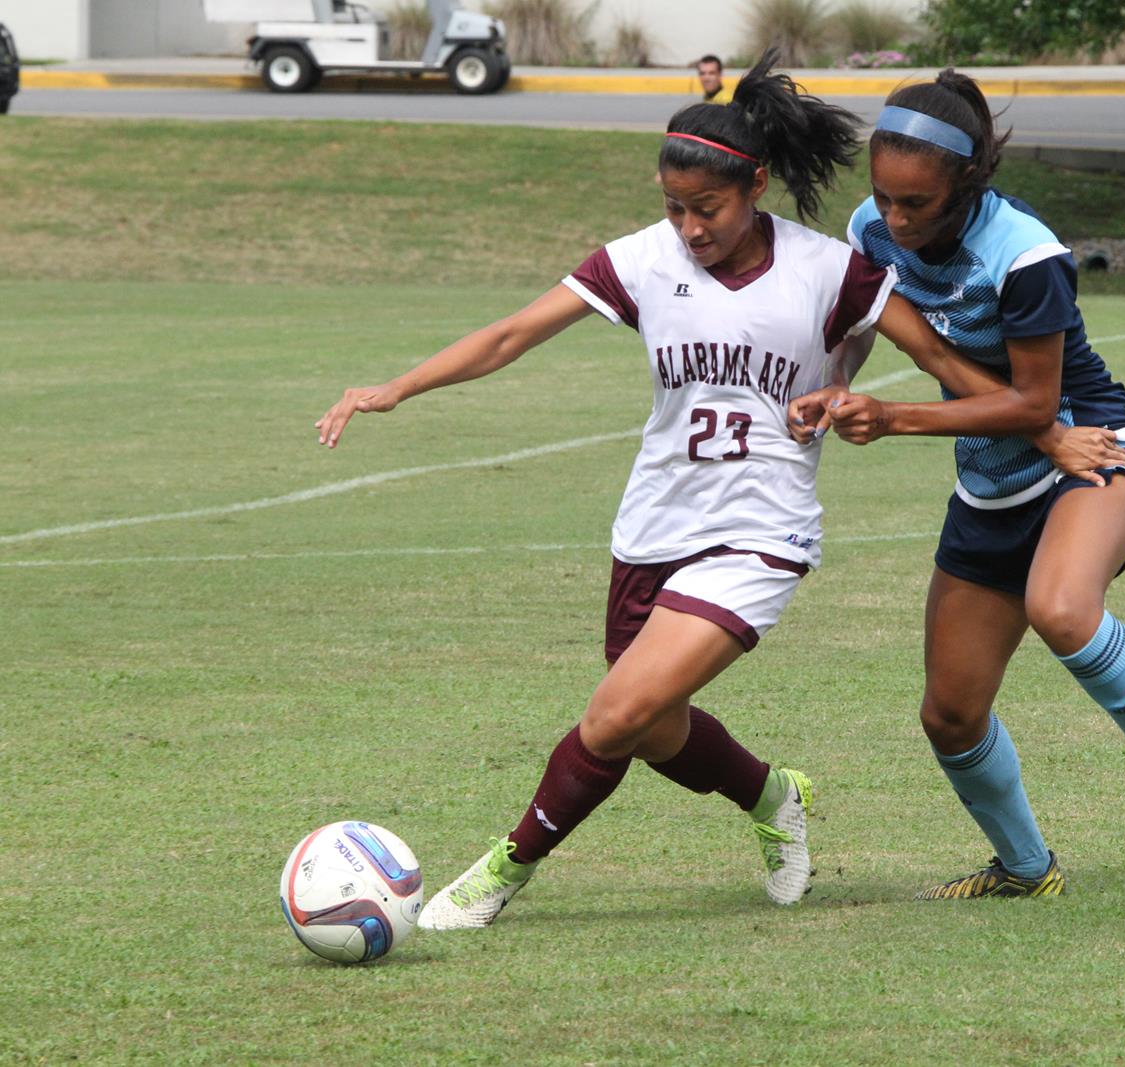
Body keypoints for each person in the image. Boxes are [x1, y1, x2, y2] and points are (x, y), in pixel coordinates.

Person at [314, 51, 1017, 927]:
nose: (688, 227)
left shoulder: (829, 271)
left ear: (755, 186)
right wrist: (394, 387)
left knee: (615, 715)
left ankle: (496, 874)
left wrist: (1025, 421)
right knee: (650, 726)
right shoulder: (642, 260)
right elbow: (511, 336)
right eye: (673, 207)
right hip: (653, 525)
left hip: (763, 532)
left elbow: (954, 370)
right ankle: (772, 795)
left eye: (707, 208)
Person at [789, 71, 1125, 900]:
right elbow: (868, 323)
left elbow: (1035, 401)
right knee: (948, 712)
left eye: (917, 204)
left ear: (967, 186)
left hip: (1086, 450)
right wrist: (834, 387)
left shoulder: (1027, 255)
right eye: (884, 198)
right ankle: (1026, 868)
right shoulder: (873, 231)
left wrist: (895, 418)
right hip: (991, 480)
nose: (896, 220)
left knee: (1062, 609)